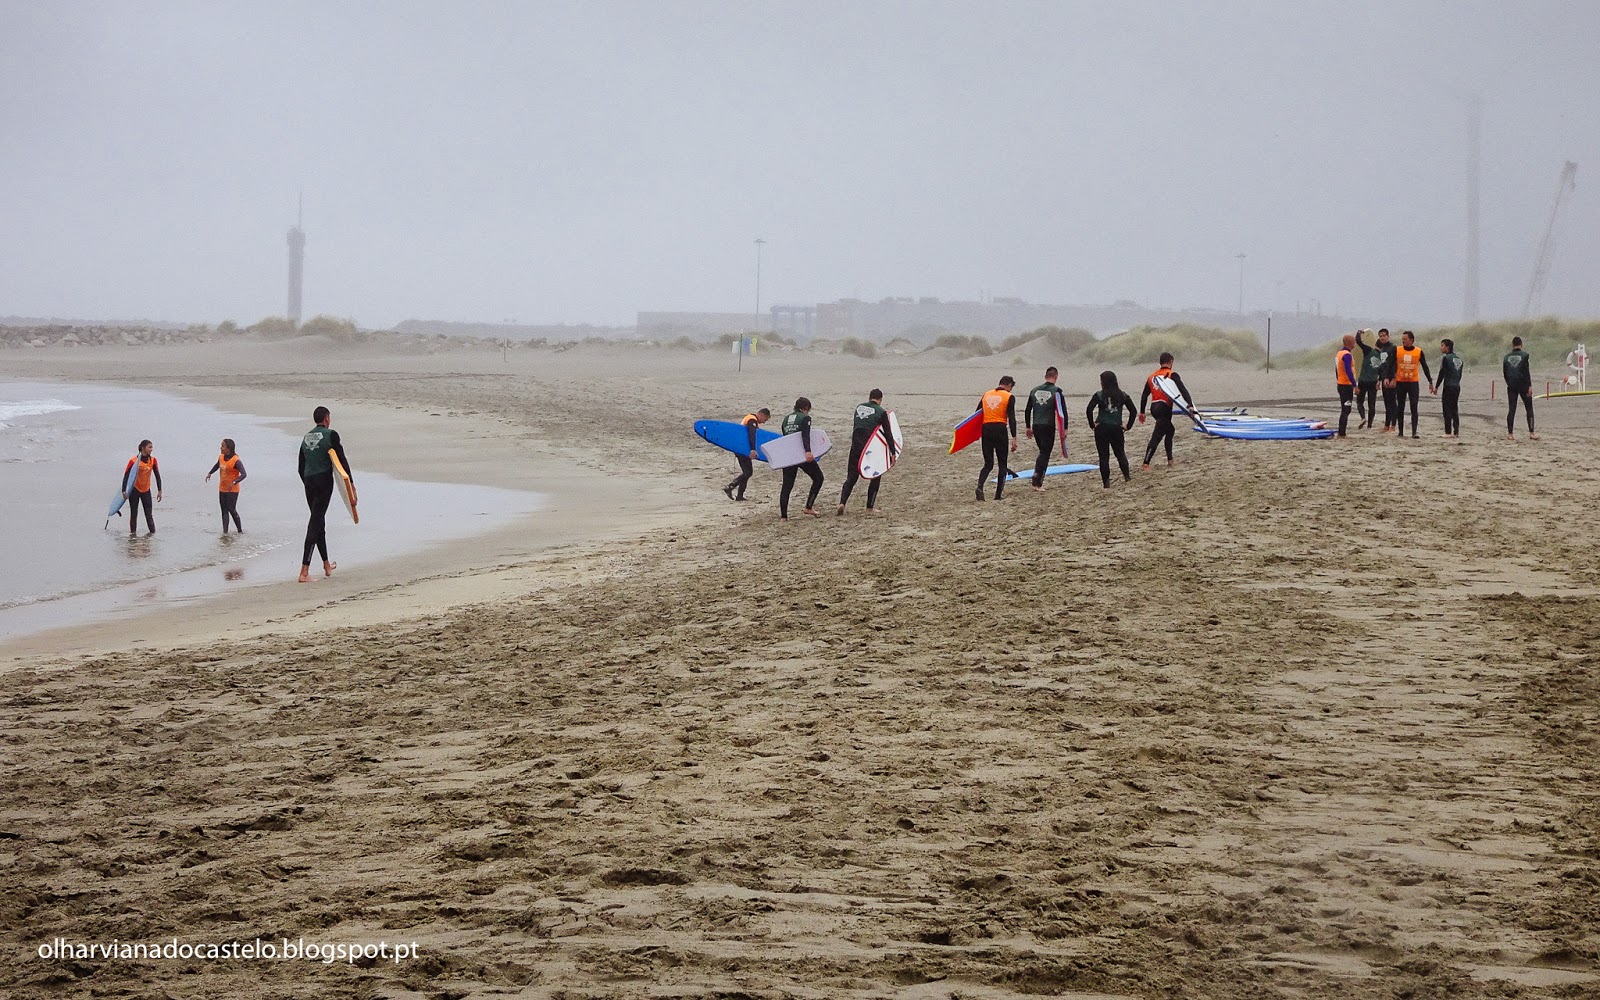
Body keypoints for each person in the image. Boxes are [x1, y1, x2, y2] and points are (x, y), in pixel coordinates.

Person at [298, 405, 353, 583]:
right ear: (327, 419)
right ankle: (304, 572)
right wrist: (350, 484)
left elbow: (300, 466)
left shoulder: (305, 437)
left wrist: (307, 482)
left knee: (317, 519)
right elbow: (341, 460)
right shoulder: (331, 435)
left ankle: (326, 565)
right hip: (323, 481)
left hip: (308, 481)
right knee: (315, 522)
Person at [837, 389, 896, 515]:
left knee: (851, 478)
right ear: (880, 399)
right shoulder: (881, 412)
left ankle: (842, 503)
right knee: (876, 476)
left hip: (855, 447)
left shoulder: (859, 408)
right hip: (870, 449)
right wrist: (893, 452)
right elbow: (888, 433)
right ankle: (869, 507)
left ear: (869, 397)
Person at [1138, 353, 1195, 467]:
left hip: (1154, 407)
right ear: (1171, 361)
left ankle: (1170, 460)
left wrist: (1142, 412)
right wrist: (1190, 405)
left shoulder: (1152, 376)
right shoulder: (1171, 374)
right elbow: (1182, 389)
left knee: (1169, 430)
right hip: (1164, 408)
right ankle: (1146, 463)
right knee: (1157, 435)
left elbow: (1144, 395)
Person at [1086, 371, 1136, 488]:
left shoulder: (1099, 395)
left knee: (1104, 456)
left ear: (1104, 382)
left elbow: (1089, 409)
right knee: (1120, 453)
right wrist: (1128, 426)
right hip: (1116, 428)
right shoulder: (1123, 395)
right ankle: (1127, 477)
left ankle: (1106, 483)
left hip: (1101, 428)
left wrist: (1092, 425)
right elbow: (1133, 411)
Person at [777, 397, 824, 520]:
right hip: (801, 454)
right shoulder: (805, 418)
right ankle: (809, 507)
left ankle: (784, 516)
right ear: (805, 408)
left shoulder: (786, 419)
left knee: (787, 485)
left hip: (788, 454)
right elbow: (805, 435)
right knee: (818, 478)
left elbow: (786, 437)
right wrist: (808, 451)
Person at [974, 376, 1018, 501]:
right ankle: (998, 496)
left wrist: (975, 433)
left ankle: (980, 487)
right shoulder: (1009, 397)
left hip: (986, 429)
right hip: (1000, 430)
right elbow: (1012, 418)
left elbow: (977, 414)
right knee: (1002, 464)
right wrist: (1014, 437)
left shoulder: (986, 395)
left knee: (988, 464)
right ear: (1008, 385)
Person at [1023, 367, 1066, 491]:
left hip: (1036, 425)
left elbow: (1027, 410)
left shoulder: (1034, 390)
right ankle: (1037, 480)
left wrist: (1028, 426)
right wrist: (1065, 428)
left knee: (1043, 450)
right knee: (1045, 453)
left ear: (1045, 376)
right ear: (1056, 377)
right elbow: (1062, 411)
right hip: (1048, 425)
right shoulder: (1057, 391)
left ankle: (1038, 480)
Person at [1391, 330, 1433, 438]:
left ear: (1411, 340)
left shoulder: (1418, 351)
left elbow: (1425, 367)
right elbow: (1391, 365)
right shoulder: (1397, 350)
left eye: (1405, 339)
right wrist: (1390, 378)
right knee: (1400, 407)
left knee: (1414, 407)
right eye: (1402, 339)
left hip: (1413, 383)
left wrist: (1430, 381)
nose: (1403, 341)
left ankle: (1414, 432)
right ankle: (1400, 432)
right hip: (1400, 382)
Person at [722, 408, 770, 501]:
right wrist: (753, 449)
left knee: (747, 472)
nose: (764, 422)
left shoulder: (749, 418)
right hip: (743, 450)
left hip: (741, 448)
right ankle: (730, 486)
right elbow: (751, 434)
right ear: (762, 415)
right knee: (748, 472)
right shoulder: (752, 420)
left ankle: (739, 496)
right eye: (765, 419)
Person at [205, 437, 248, 533]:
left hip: (232, 490)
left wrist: (234, 482)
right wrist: (210, 473)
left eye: (222, 446)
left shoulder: (236, 460)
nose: (220, 448)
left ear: (228, 449)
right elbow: (217, 465)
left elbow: (244, 474)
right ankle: (225, 533)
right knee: (224, 510)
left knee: (231, 509)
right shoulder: (221, 457)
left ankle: (240, 531)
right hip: (222, 488)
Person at [121, 439, 163, 536]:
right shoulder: (133, 461)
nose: (151, 449)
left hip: (146, 490)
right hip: (134, 490)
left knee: (149, 515)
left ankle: (152, 536)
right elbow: (126, 475)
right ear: (143, 448)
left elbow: (157, 475)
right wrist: (124, 490)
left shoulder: (153, 460)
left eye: (152, 447)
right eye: (149, 447)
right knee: (134, 514)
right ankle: (133, 536)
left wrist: (160, 490)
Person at [1503, 336, 1537, 440]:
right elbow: (1526, 372)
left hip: (1511, 386)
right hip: (1524, 385)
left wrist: (1508, 383)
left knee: (1512, 409)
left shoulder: (1506, 357)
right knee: (1529, 408)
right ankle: (1531, 433)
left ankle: (1510, 434)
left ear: (1512, 345)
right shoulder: (1525, 355)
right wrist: (1529, 386)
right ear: (1521, 344)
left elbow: (1505, 372)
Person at [1433, 338, 1465, 438]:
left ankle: (1448, 432)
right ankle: (1456, 431)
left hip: (1448, 386)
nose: (1441, 347)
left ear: (1447, 347)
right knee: (1454, 408)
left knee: (1446, 408)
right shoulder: (1459, 359)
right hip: (1457, 386)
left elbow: (1442, 373)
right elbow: (1459, 374)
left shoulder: (1446, 358)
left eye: (1442, 345)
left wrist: (1436, 386)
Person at [1354, 329, 1383, 428]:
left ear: (1375, 345)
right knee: (1372, 404)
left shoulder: (1369, 350)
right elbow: (1382, 371)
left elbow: (1358, 342)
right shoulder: (1383, 357)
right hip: (1373, 382)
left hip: (1363, 380)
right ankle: (1370, 425)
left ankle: (1363, 418)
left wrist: (1359, 333)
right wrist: (1380, 381)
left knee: (1359, 402)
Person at [1375, 328, 1399, 432]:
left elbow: (1394, 364)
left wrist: (1393, 378)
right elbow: (1382, 366)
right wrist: (1380, 379)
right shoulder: (1382, 349)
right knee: (1387, 403)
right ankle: (1386, 425)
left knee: (1393, 402)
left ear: (1388, 336)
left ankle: (1393, 424)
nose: (1382, 338)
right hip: (1384, 379)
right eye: (1380, 336)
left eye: (1384, 335)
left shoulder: (1393, 347)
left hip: (1391, 379)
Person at [1335, 334, 1359, 437]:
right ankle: (1342, 432)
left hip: (1341, 384)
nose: (1355, 343)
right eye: (1353, 341)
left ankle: (1342, 431)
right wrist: (1354, 385)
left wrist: (1338, 381)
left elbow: (1336, 370)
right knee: (1346, 409)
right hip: (1346, 385)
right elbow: (1348, 371)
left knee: (1345, 409)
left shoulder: (1339, 354)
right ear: (1349, 342)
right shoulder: (1347, 355)